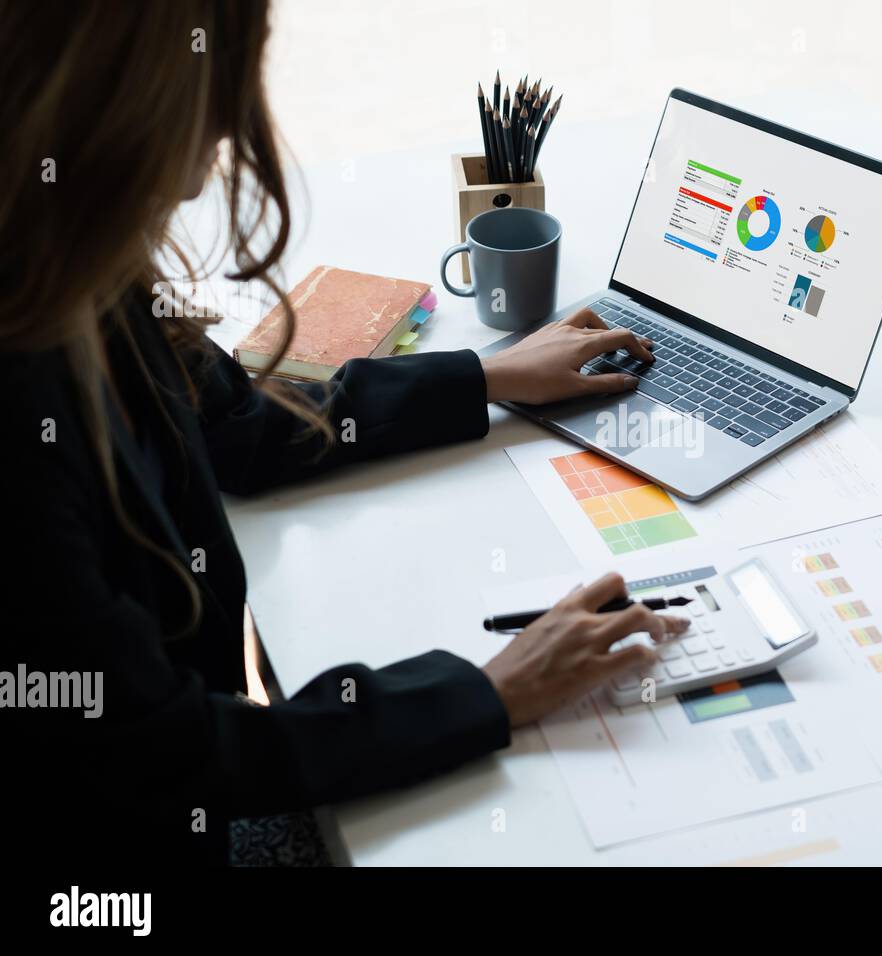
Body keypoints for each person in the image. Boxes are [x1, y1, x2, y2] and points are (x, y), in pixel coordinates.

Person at [0, 0, 686, 865]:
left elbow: (240, 427)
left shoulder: (70, 259)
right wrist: (485, 692)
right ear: (122, 91)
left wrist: (485, 374)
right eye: (221, 75)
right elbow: (159, 754)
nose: (232, 123)